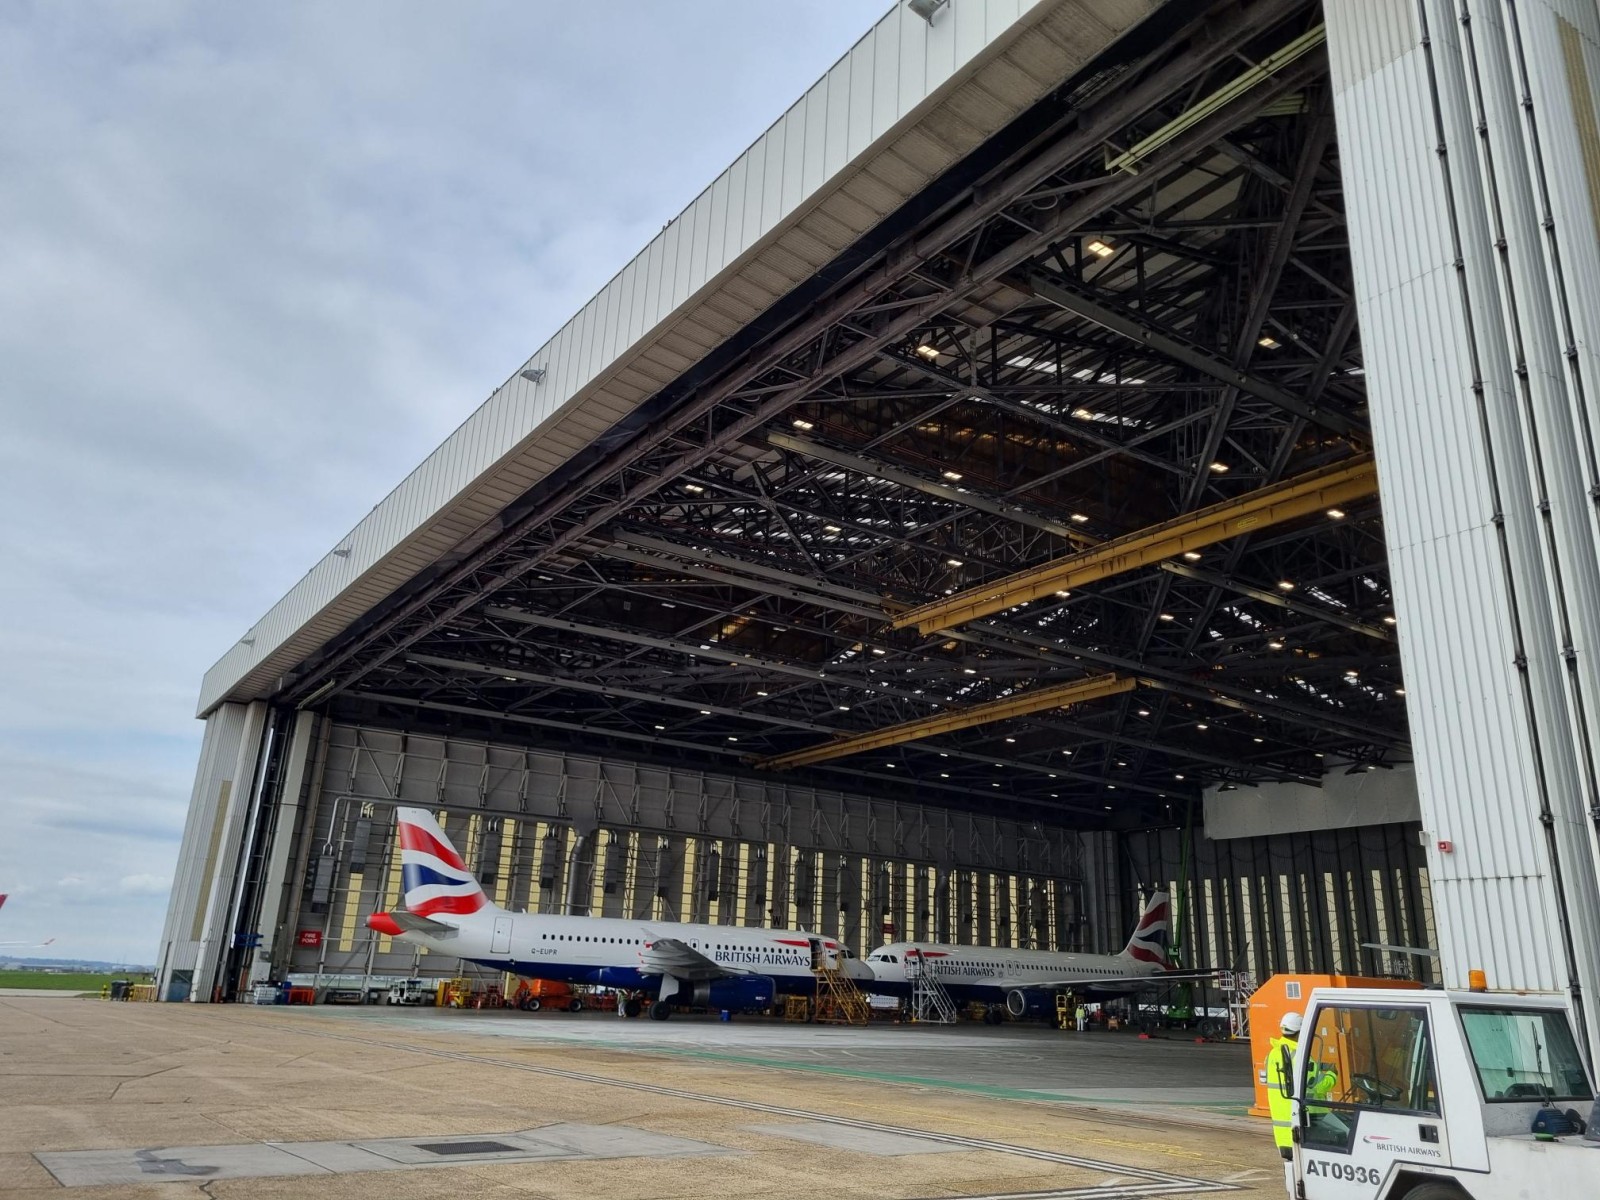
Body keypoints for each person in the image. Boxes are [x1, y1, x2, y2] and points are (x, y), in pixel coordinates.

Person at [1266, 1011, 1303, 1160]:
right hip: (1302, 1126)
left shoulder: (1272, 1054)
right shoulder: (1298, 1055)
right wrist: (1332, 1075)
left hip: (1281, 1133)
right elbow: (1316, 1086)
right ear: (1299, 1032)